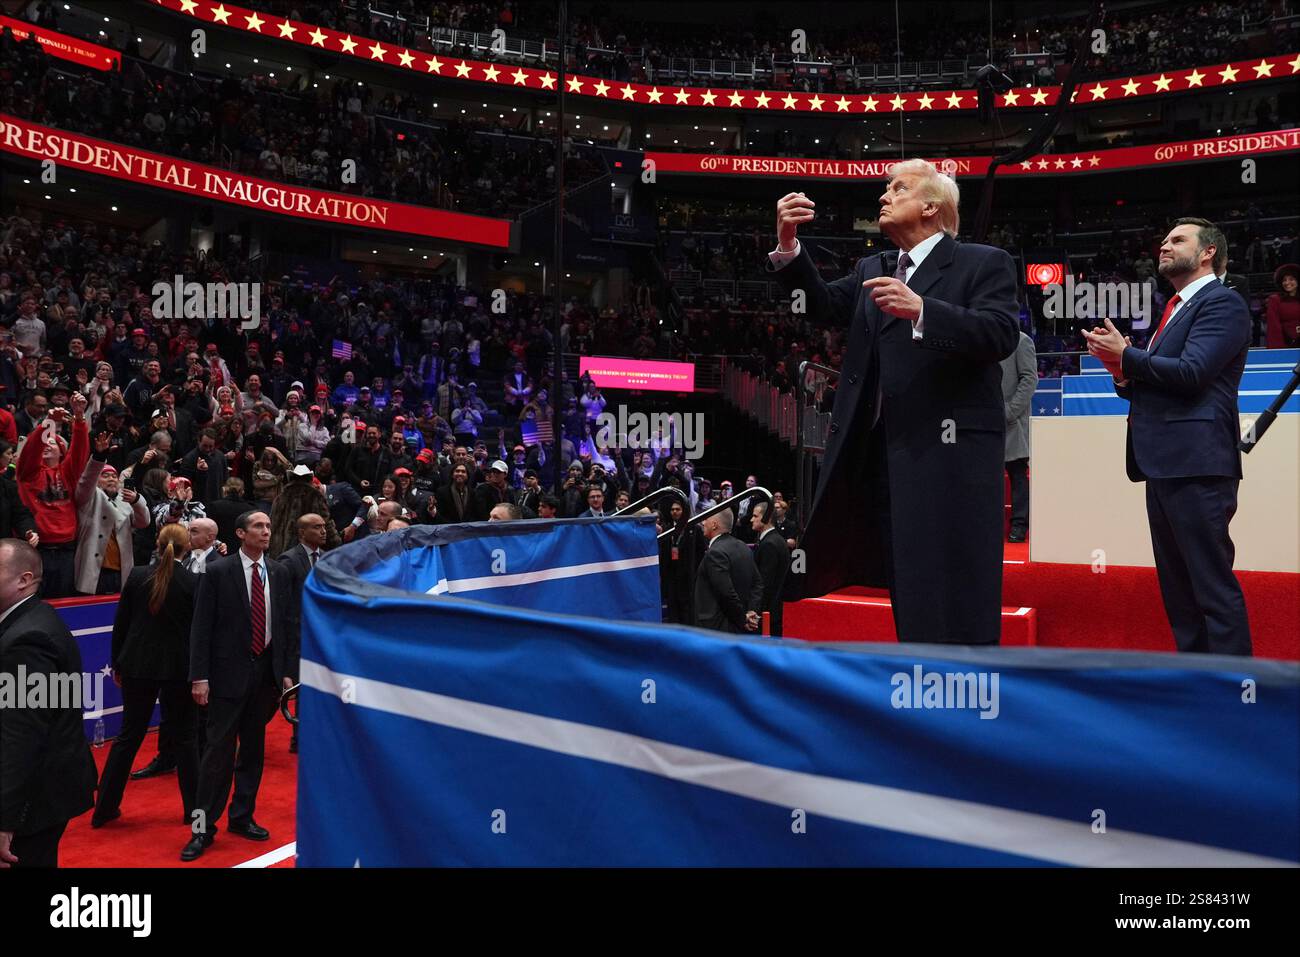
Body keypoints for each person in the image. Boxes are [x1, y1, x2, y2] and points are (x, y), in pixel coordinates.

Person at [765, 159, 1018, 644]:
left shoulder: (982, 262)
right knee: (910, 586)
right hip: (881, 455)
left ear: (931, 206)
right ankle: (921, 685)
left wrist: (924, 309)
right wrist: (788, 245)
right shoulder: (873, 268)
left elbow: (1001, 333)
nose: (884, 196)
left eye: (898, 188)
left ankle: (967, 694)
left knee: (957, 587)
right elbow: (818, 305)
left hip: (949, 456)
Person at [1083, 217, 1252, 656]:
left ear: (1209, 252)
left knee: (1210, 585)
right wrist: (1121, 371)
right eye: (1163, 239)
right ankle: (1197, 682)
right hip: (1163, 463)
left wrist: (1130, 356)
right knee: (1179, 589)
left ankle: (1234, 691)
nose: (1164, 245)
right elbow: (1162, 385)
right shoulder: (1174, 308)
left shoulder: (1221, 303)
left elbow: (1193, 373)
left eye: (1178, 240)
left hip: (1197, 462)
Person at [183, 511, 294, 861]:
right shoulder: (217, 572)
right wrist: (199, 677)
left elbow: (287, 626)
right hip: (225, 678)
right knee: (216, 757)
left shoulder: (279, 571)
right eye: (259, 526)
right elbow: (200, 628)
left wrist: (286, 672)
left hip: (265, 680)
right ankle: (201, 828)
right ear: (241, 533)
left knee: (253, 754)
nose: (266, 531)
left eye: (268, 526)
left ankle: (242, 817)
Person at [92, 525, 200, 829]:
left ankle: (104, 808)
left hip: (137, 667)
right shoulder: (193, 582)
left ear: (157, 543)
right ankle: (194, 814)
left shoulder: (138, 576)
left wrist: (117, 665)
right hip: (179, 670)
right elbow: (197, 632)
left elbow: (121, 626)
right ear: (187, 547)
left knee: (128, 736)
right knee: (186, 740)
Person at [0, 538, 97, 867]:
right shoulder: (33, 619)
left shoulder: (28, 639)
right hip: (46, 786)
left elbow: (21, 736)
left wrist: (5, 818)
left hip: (34, 799)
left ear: (24, 579)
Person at [16, 390, 90, 598]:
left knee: (64, 601)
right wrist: (49, 422)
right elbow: (31, 448)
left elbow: (80, 450)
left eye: (53, 443)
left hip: (67, 549)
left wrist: (79, 416)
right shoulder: (28, 473)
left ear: (61, 450)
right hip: (38, 548)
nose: (47, 445)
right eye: (45, 442)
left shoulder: (67, 472)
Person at [74, 436, 150, 595]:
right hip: (96, 571)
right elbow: (86, 481)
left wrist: (137, 501)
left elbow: (144, 522)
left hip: (120, 571)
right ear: (97, 479)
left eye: (114, 476)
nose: (111, 479)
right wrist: (99, 457)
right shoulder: (89, 498)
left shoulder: (127, 501)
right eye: (105, 475)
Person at [277, 513, 326, 755]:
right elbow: (283, 603)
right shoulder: (289, 560)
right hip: (295, 633)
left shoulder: (327, 559)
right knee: (300, 688)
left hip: (321, 634)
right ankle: (299, 737)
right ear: (302, 533)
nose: (323, 531)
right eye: (317, 527)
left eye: (324, 526)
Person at [694, 508, 764, 634]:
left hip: (718, 628)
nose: (703, 523)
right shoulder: (744, 546)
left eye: (706, 520)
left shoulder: (715, 552)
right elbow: (757, 583)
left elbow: (726, 593)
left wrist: (743, 619)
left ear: (714, 524)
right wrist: (751, 611)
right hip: (738, 627)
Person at [1000, 330, 1037, 543]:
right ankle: (992, 524)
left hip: (1013, 424)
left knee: (1018, 476)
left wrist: (1010, 411)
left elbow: (1030, 379)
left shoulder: (1022, 341)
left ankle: (1019, 525)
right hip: (989, 422)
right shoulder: (988, 339)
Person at [751, 501, 790, 636]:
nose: (752, 519)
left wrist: (755, 611)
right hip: (775, 611)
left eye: (755, 516)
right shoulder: (776, 540)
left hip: (769, 614)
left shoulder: (769, 544)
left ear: (766, 518)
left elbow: (764, 583)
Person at [660, 499, 700, 625]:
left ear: (684, 511)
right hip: (671, 577)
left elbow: (700, 552)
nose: (675, 512)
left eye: (678, 509)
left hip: (688, 577)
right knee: (673, 611)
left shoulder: (694, 528)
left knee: (687, 612)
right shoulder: (667, 529)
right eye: (672, 509)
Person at [1264, 263, 1300, 348]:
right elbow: (1273, 327)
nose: (1287, 283)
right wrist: (1277, 350)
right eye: (1284, 280)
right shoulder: (1275, 300)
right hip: (1286, 344)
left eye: (1291, 279)